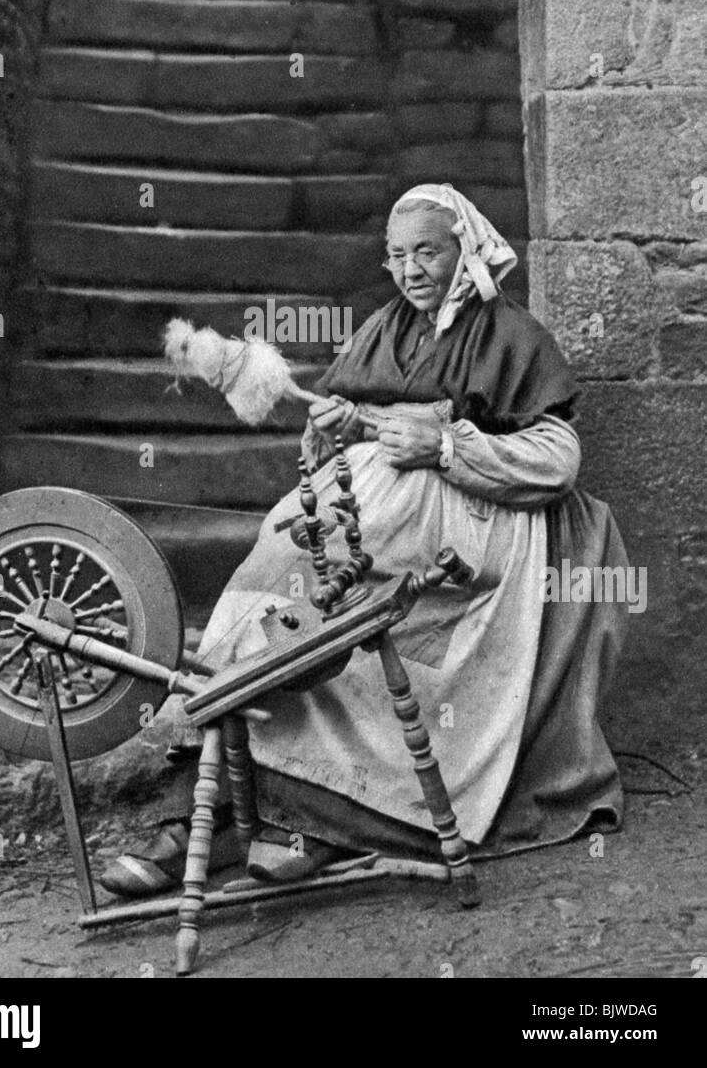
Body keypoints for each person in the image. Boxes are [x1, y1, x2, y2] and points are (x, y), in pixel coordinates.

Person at [101, 183, 628, 896]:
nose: (411, 270)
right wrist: (336, 430)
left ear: (465, 251)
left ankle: (321, 818)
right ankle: (211, 803)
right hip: (361, 512)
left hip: (470, 530)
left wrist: (444, 444)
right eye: (397, 256)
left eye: (427, 254)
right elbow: (338, 433)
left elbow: (557, 459)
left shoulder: (512, 335)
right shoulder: (383, 327)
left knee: (343, 621)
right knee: (269, 589)